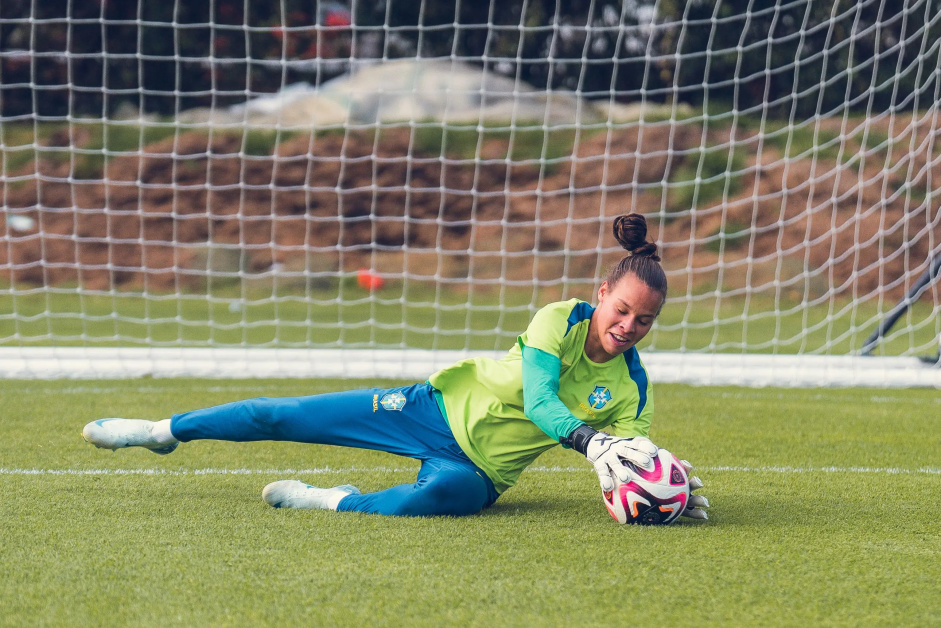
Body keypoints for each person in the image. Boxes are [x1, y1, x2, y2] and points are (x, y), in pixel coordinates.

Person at [82, 213, 709, 520]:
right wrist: (595, 442)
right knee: (284, 415)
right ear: (603, 294)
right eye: (623, 310)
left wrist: (659, 478)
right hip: (427, 411)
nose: (629, 328)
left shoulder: (632, 385)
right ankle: (163, 431)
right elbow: (544, 403)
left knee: (434, 498)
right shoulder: (560, 318)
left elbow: (626, 449)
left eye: (645, 321)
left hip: (482, 472)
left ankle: (332, 501)